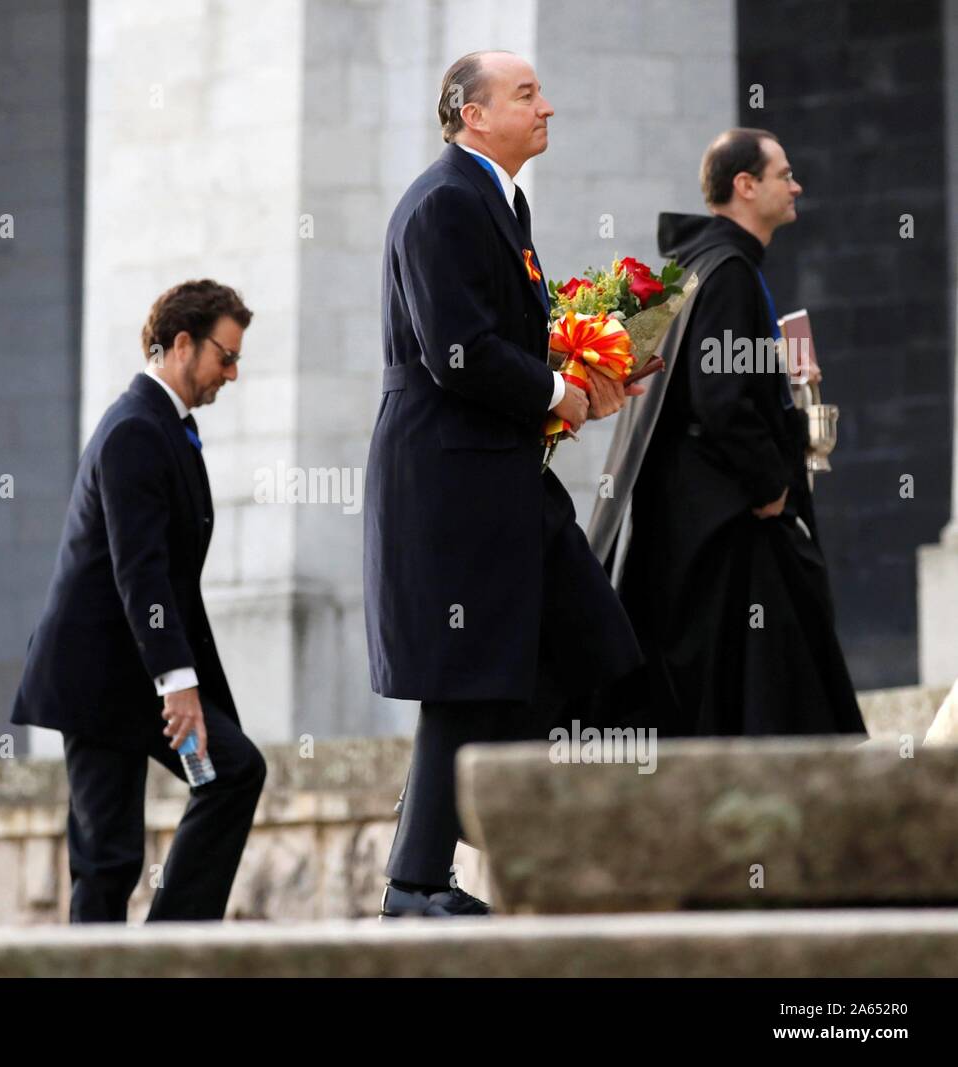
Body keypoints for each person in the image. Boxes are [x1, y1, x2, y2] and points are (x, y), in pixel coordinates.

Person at [364, 51, 644, 919]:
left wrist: (580, 374)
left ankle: (480, 824)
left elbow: (494, 344)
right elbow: (459, 351)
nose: (548, 106)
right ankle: (417, 882)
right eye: (527, 94)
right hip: (453, 482)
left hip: (496, 476)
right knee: (472, 673)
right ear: (471, 113)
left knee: (588, 649)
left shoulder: (495, 201)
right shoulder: (447, 201)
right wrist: (560, 389)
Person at [587, 129, 865, 737]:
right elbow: (720, 402)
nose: (796, 186)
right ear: (745, 186)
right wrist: (771, 488)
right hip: (730, 527)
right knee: (768, 698)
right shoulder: (731, 272)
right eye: (783, 174)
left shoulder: (694, 268)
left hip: (689, 526)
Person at [12, 279, 266, 923]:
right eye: (225, 357)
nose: (231, 375)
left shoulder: (164, 427)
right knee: (107, 858)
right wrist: (178, 684)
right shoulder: (135, 429)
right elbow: (141, 571)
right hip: (99, 675)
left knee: (232, 773)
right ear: (182, 343)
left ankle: (168, 947)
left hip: (136, 675)